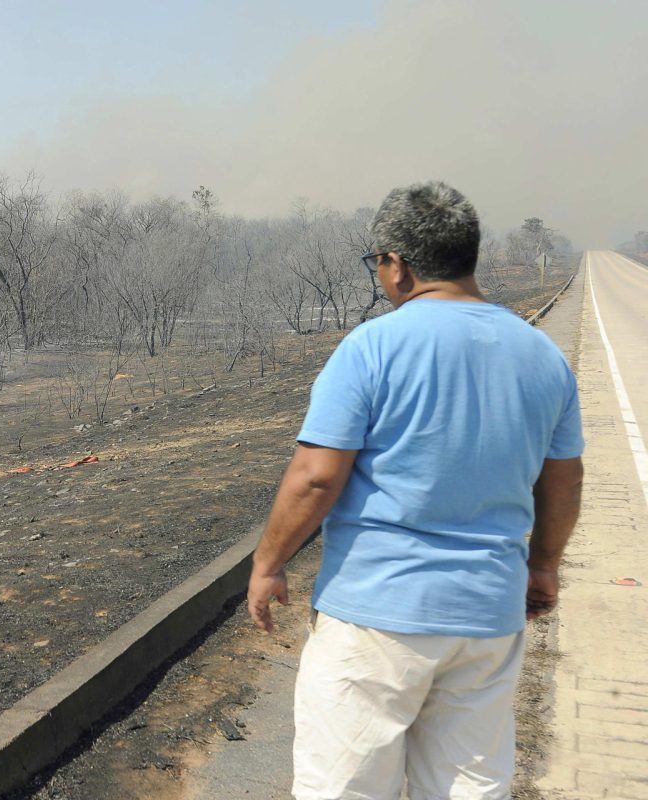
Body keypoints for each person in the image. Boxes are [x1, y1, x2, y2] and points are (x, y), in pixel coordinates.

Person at [246, 181, 584, 800]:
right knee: (468, 786)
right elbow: (563, 479)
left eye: (377, 261)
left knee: (343, 787)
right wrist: (544, 566)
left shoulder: (372, 347)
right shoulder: (542, 356)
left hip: (376, 616)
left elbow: (317, 476)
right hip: (487, 613)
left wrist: (269, 562)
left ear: (397, 265)